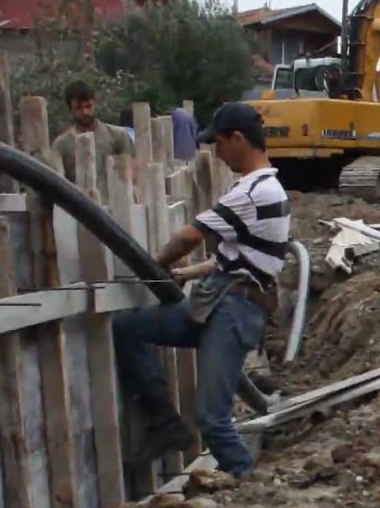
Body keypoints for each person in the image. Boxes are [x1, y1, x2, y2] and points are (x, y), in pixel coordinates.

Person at [111, 101, 290, 477]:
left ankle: (252, 488)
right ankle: (165, 422)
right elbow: (240, 257)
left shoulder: (254, 192)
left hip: (234, 310)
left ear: (237, 138)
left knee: (213, 420)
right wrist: (189, 273)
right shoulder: (266, 188)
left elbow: (189, 236)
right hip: (220, 302)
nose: (217, 153)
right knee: (128, 329)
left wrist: (155, 264)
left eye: (219, 143)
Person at [51, 80, 135, 195]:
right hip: (79, 204)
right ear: (71, 109)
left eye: (88, 106)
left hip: (116, 202)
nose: (85, 112)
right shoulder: (62, 145)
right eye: (79, 108)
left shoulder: (118, 136)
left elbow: (134, 176)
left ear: (94, 103)